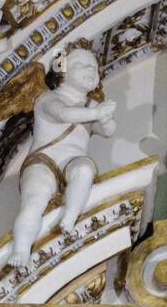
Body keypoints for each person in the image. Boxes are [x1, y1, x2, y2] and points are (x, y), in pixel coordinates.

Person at [10, 44, 116, 268]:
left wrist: (104, 119)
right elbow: (64, 113)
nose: (90, 70)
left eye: (94, 67)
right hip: (43, 161)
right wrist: (96, 113)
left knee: (85, 170)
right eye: (82, 65)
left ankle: (70, 215)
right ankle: (20, 249)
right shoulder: (49, 98)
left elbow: (108, 131)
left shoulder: (91, 104)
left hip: (72, 161)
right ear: (62, 70)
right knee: (34, 200)